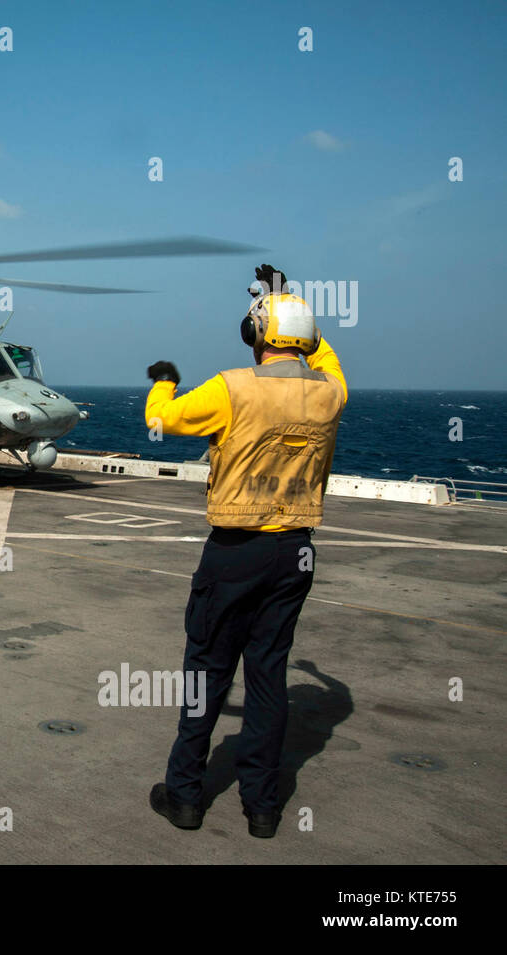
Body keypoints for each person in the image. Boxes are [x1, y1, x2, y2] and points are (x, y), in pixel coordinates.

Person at [144, 264, 347, 839]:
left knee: (207, 669)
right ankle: (262, 807)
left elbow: (162, 417)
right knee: (268, 675)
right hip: (295, 556)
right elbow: (325, 359)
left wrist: (162, 380)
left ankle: (184, 796)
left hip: (234, 551)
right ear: (306, 341)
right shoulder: (329, 395)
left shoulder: (232, 387)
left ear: (254, 334)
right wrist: (286, 303)